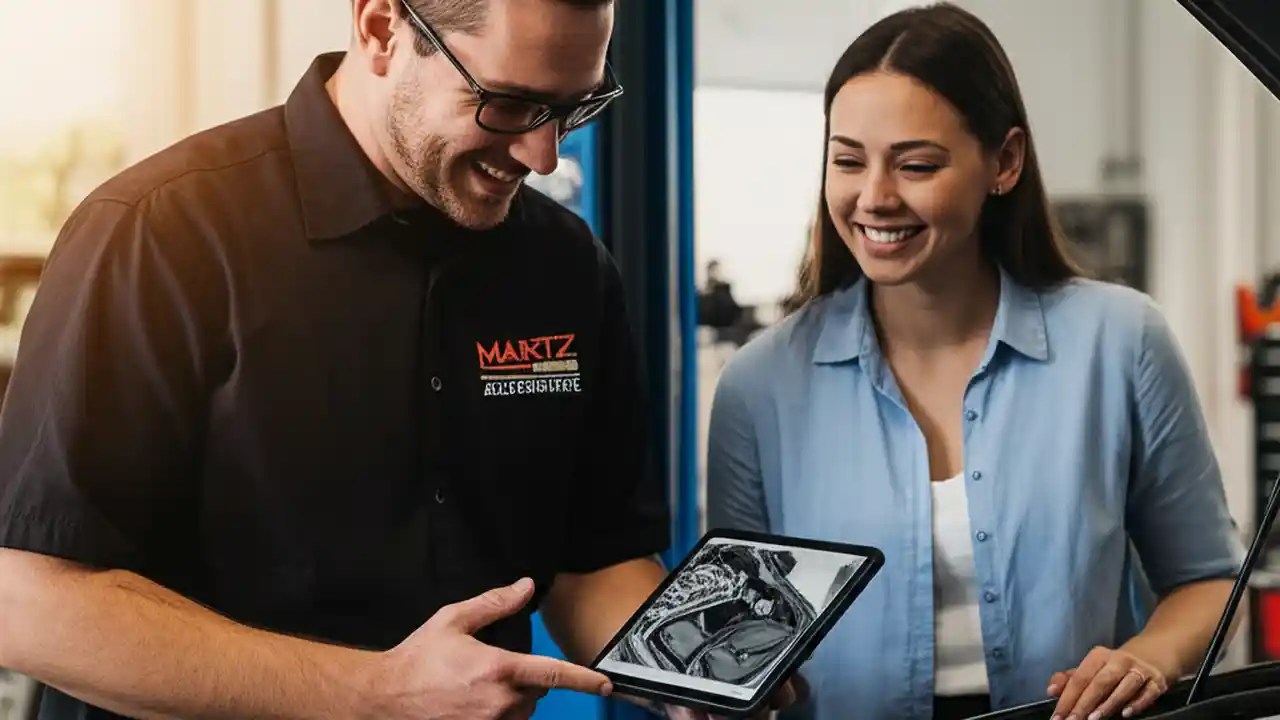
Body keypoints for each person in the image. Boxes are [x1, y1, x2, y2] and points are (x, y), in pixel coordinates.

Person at [0, 2, 800, 719]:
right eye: (509, 102)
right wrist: (378, 695)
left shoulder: (567, 268)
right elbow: (30, 601)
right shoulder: (161, 234)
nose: (545, 154)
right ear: (382, 28)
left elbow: (591, 562)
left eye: (572, 107)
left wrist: (690, 669)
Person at [706, 4, 1244, 720]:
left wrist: (1149, 657)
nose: (874, 197)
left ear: (1005, 162)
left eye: (917, 164)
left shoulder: (1121, 342)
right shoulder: (761, 384)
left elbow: (1208, 580)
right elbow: (741, 633)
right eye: (847, 160)